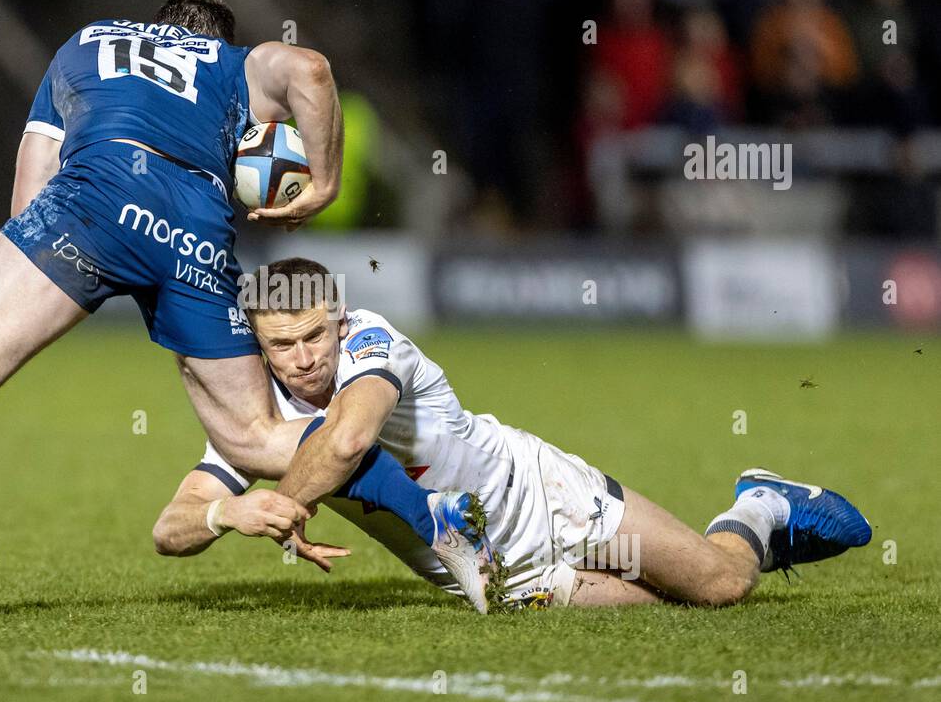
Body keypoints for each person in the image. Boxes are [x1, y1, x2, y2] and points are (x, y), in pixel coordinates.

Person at [0, 0, 489, 619]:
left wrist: (48, 285)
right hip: (193, 234)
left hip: (88, 206)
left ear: (155, 27)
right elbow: (314, 71)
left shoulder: (85, 43)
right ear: (216, 41)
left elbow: (31, 191)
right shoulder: (234, 66)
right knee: (256, 438)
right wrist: (321, 182)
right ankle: (440, 521)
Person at [152, 257, 873, 611]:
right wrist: (226, 511)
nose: (304, 358)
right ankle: (753, 529)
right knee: (679, 612)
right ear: (259, 345)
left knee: (717, 587)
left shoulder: (374, 342)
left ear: (339, 322)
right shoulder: (259, 419)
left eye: (315, 336)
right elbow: (169, 529)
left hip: (545, 494)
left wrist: (287, 505)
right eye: (282, 346)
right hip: (509, 578)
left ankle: (760, 504)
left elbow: (343, 439)